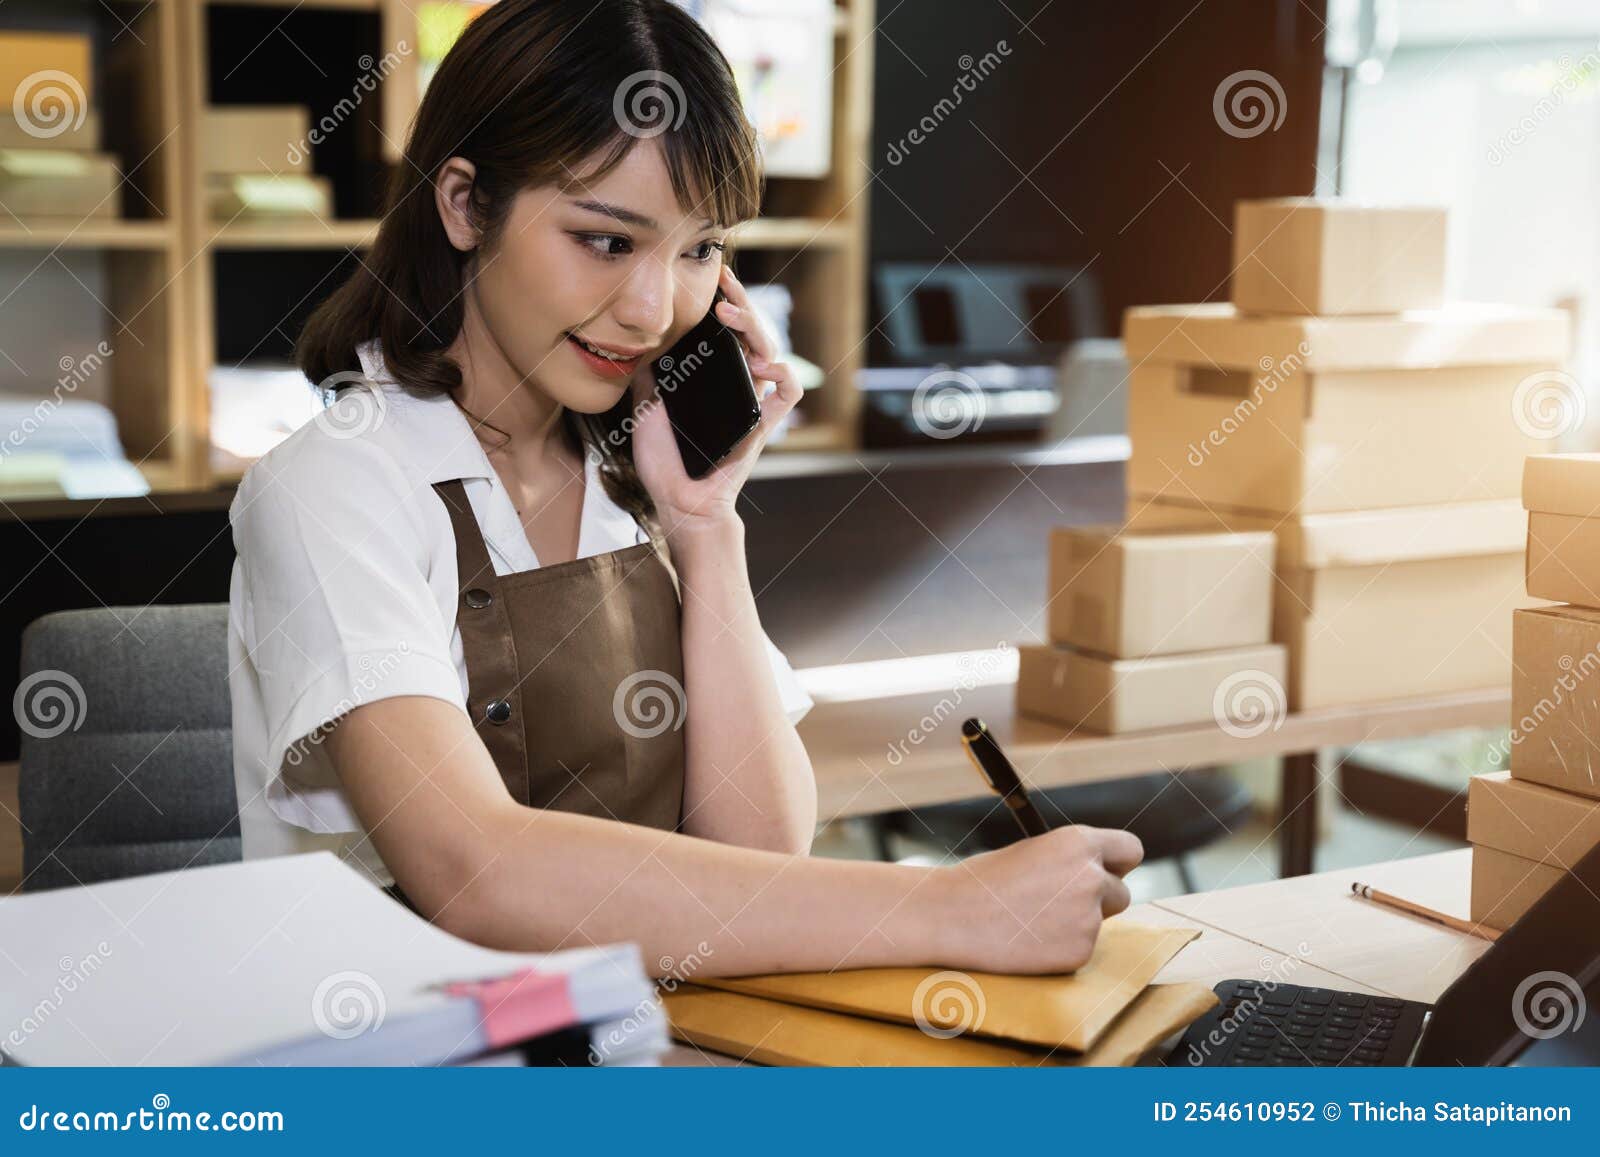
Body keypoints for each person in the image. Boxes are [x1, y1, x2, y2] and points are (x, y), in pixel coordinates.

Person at [227, 0, 1141, 978]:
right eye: (608, 241)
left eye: (700, 249)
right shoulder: (335, 485)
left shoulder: (636, 476)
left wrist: (706, 525)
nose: (654, 309)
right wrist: (950, 904)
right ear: (462, 204)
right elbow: (473, 868)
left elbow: (755, 855)